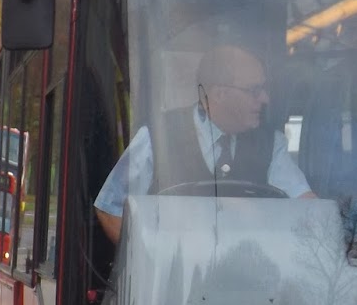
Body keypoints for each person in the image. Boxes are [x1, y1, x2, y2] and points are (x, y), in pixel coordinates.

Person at [93, 44, 313, 243]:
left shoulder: (271, 144)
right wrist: (149, 261)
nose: (265, 99)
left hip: (250, 275)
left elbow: (307, 208)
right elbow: (110, 208)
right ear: (219, 94)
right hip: (176, 282)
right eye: (254, 90)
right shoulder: (158, 137)